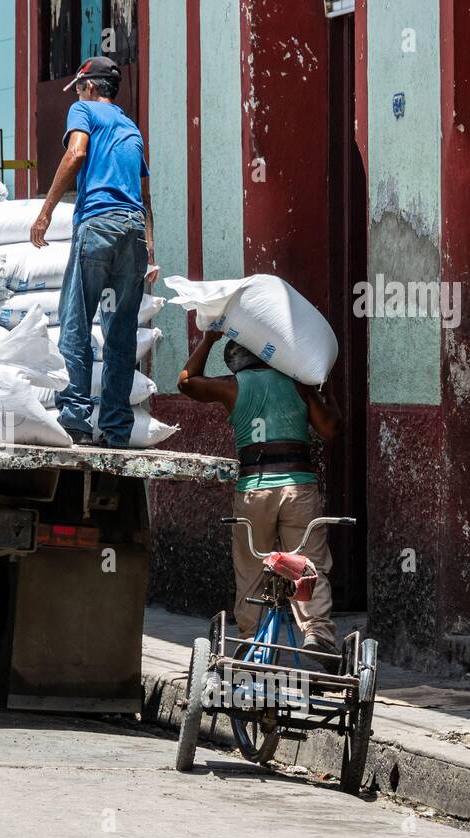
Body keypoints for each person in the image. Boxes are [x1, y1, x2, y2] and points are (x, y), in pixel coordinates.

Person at [178, 332, 344, 670]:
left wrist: (207, 340)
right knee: (308, 564)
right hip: (299, 488)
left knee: (252, 569)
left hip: (254, 489)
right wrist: (326, 391)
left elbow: (187, 382)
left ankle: (253, 643)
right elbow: (330, 429)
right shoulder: (298, 385)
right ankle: (318, 637)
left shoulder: (233, 386)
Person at [31, 55, 157, 448]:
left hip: (98, 226)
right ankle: (118, 430)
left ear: (88, 87)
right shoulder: (131, 127)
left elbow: (77, 153)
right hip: (133, 231)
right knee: (120, 334)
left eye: (80, 87)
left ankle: (76, 421)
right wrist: (149, 252)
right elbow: (145, 195)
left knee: (76, 323)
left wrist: (46, 211)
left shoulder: (82, 110)